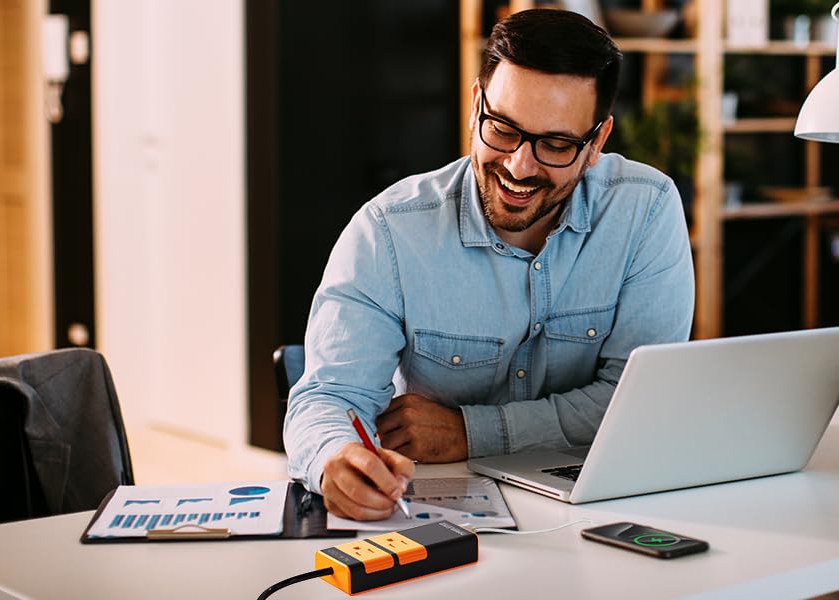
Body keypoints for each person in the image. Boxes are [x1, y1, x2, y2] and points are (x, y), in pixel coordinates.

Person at [284, 8, 694, 520]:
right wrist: (334, 458)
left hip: (601, 507)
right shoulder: (388, 231)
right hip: (438, 518)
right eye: (502, 128)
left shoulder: (645, 209)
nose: (520, 166)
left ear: (597, 142)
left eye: (557, 144)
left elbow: (636, 400)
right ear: (477, 104)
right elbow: (327, 398)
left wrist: (469, 432)